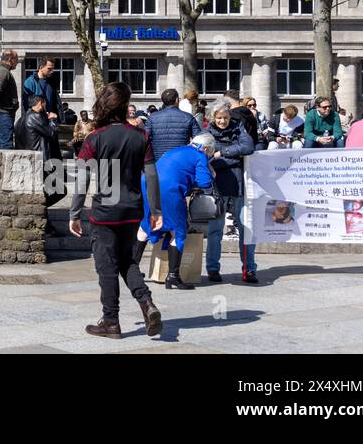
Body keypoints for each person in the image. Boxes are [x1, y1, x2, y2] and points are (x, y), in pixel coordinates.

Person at [69, 81, 163, 339]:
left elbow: (81, 178)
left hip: (105, 212)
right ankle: (147, 303)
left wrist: (74, 213)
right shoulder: (141, 136)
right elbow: (152, 175)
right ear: (125, 107)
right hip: (133, 210)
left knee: (106, 267)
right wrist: (155, 210)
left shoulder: (94, 138)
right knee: (128, 262)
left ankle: (110, 321)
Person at [137, 133, 216, 290]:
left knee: (146, 226)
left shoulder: (175, 150)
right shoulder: (200, 155)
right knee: (177, 230)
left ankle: (130, 269)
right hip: (169, 190)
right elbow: (205, 182)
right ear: (206, 148)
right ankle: (173, 276)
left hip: (147, 184)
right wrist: (210, 169)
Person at [201, 100, 258, 283]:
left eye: (225, 117)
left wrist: (222, 152)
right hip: (217, 187)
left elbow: (248, 147)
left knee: (245, 228)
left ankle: (249, 268)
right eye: (219, 118)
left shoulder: (238, 127)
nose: (223, 121)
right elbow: (206, 158)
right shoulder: (207, 133)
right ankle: (212, 268)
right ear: (213, 118)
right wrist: (235, 157)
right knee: (215, 230)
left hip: (239, 186)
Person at [15, 93, 64, 209]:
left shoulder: (20, 120)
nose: (46, 105)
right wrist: (52, 120)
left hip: (26, 162)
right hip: (39, 161)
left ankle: (41, 215)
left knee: (40, 191)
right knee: (60, 190)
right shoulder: (35, 117)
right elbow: (51, 133)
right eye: (44, 103)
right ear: (39, 103)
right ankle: (38, 209)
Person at [144, 88, 197, 162]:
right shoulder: (188, 117)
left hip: (159, 160)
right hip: (181, 159)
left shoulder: (152, 118)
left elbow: (145, 139)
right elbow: (199, 139)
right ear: (176, 100)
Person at [22, 59, 60, 124]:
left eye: (53, 69)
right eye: (49, 69)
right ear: (41, 67)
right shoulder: (30, 82)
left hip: (50, 121)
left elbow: (56, 102)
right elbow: (27, 104)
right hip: (36, 121)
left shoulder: (51, 82)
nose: (52, 71)